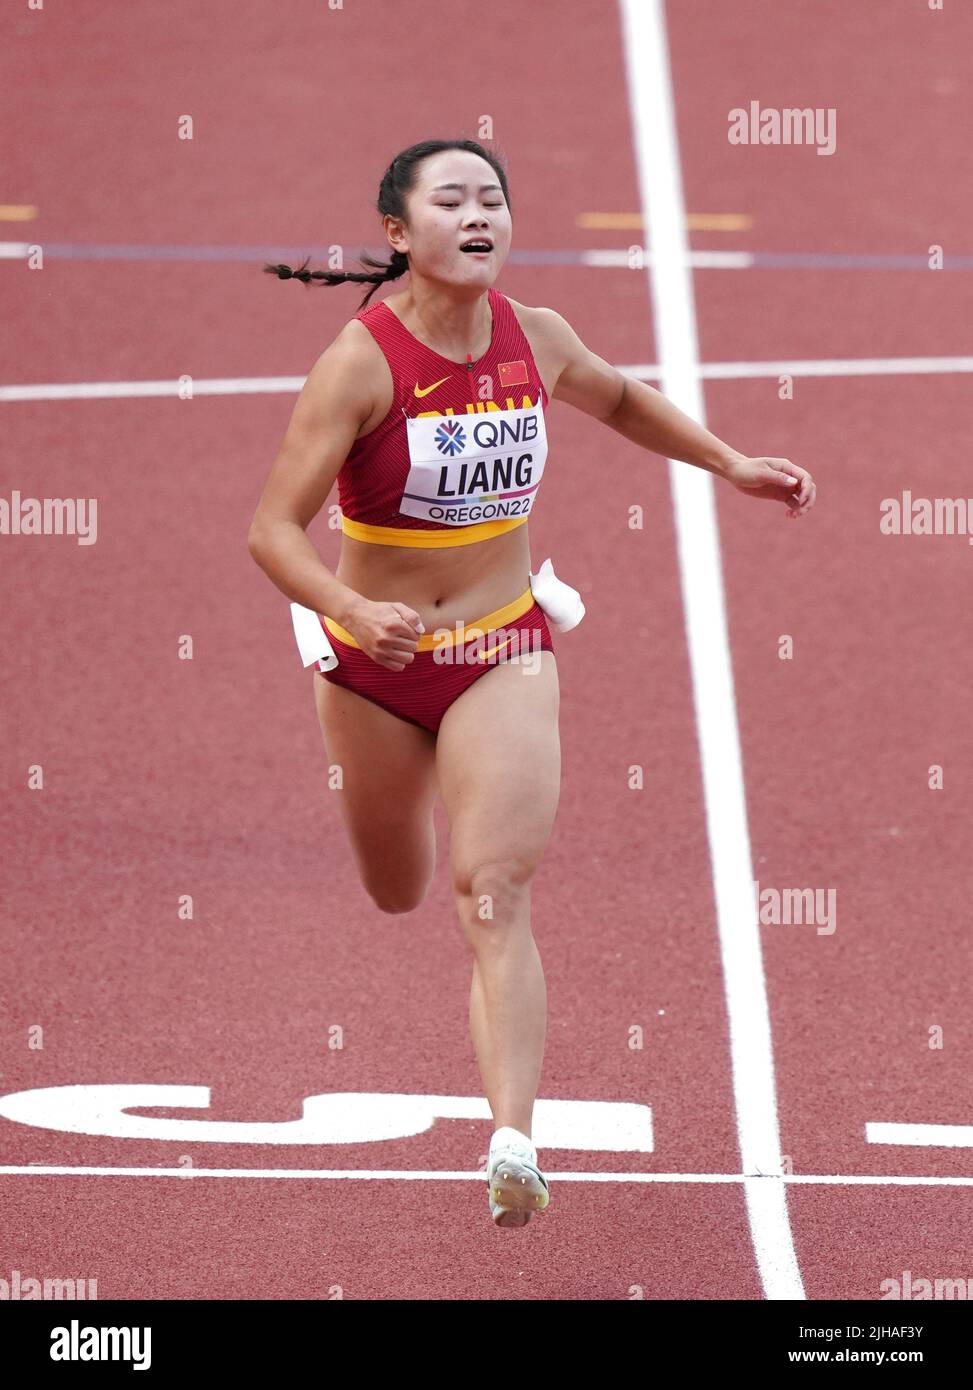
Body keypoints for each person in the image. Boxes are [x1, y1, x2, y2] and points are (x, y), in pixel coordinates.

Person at [248, 138, 816, 1229]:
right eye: (450, 199)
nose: (480, 215)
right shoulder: (359, 364)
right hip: (374, 667)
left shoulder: (536, 337)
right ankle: (397, 809)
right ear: (399, 234)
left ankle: (513, 1138)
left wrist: (730, 461)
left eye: (493, 199)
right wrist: (354, 609)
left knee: (491, 890)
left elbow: (620, 398)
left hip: (501, 647)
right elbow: (270, 530)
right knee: (396, 886)